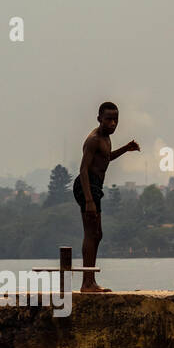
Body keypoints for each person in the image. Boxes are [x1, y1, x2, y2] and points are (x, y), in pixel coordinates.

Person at [73, 101, 140, 292]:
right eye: (108, 119)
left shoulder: (107, 138)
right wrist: (89, 200)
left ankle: (90, 280)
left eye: (115, 120)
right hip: (87, 186)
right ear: (99, 119)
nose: (112, 123)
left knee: (97, 234)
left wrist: (126, 148)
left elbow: (106, 158)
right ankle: (87, 283)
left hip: (95, 187)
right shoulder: (93, 139)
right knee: (91, 233)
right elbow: (83, 170)